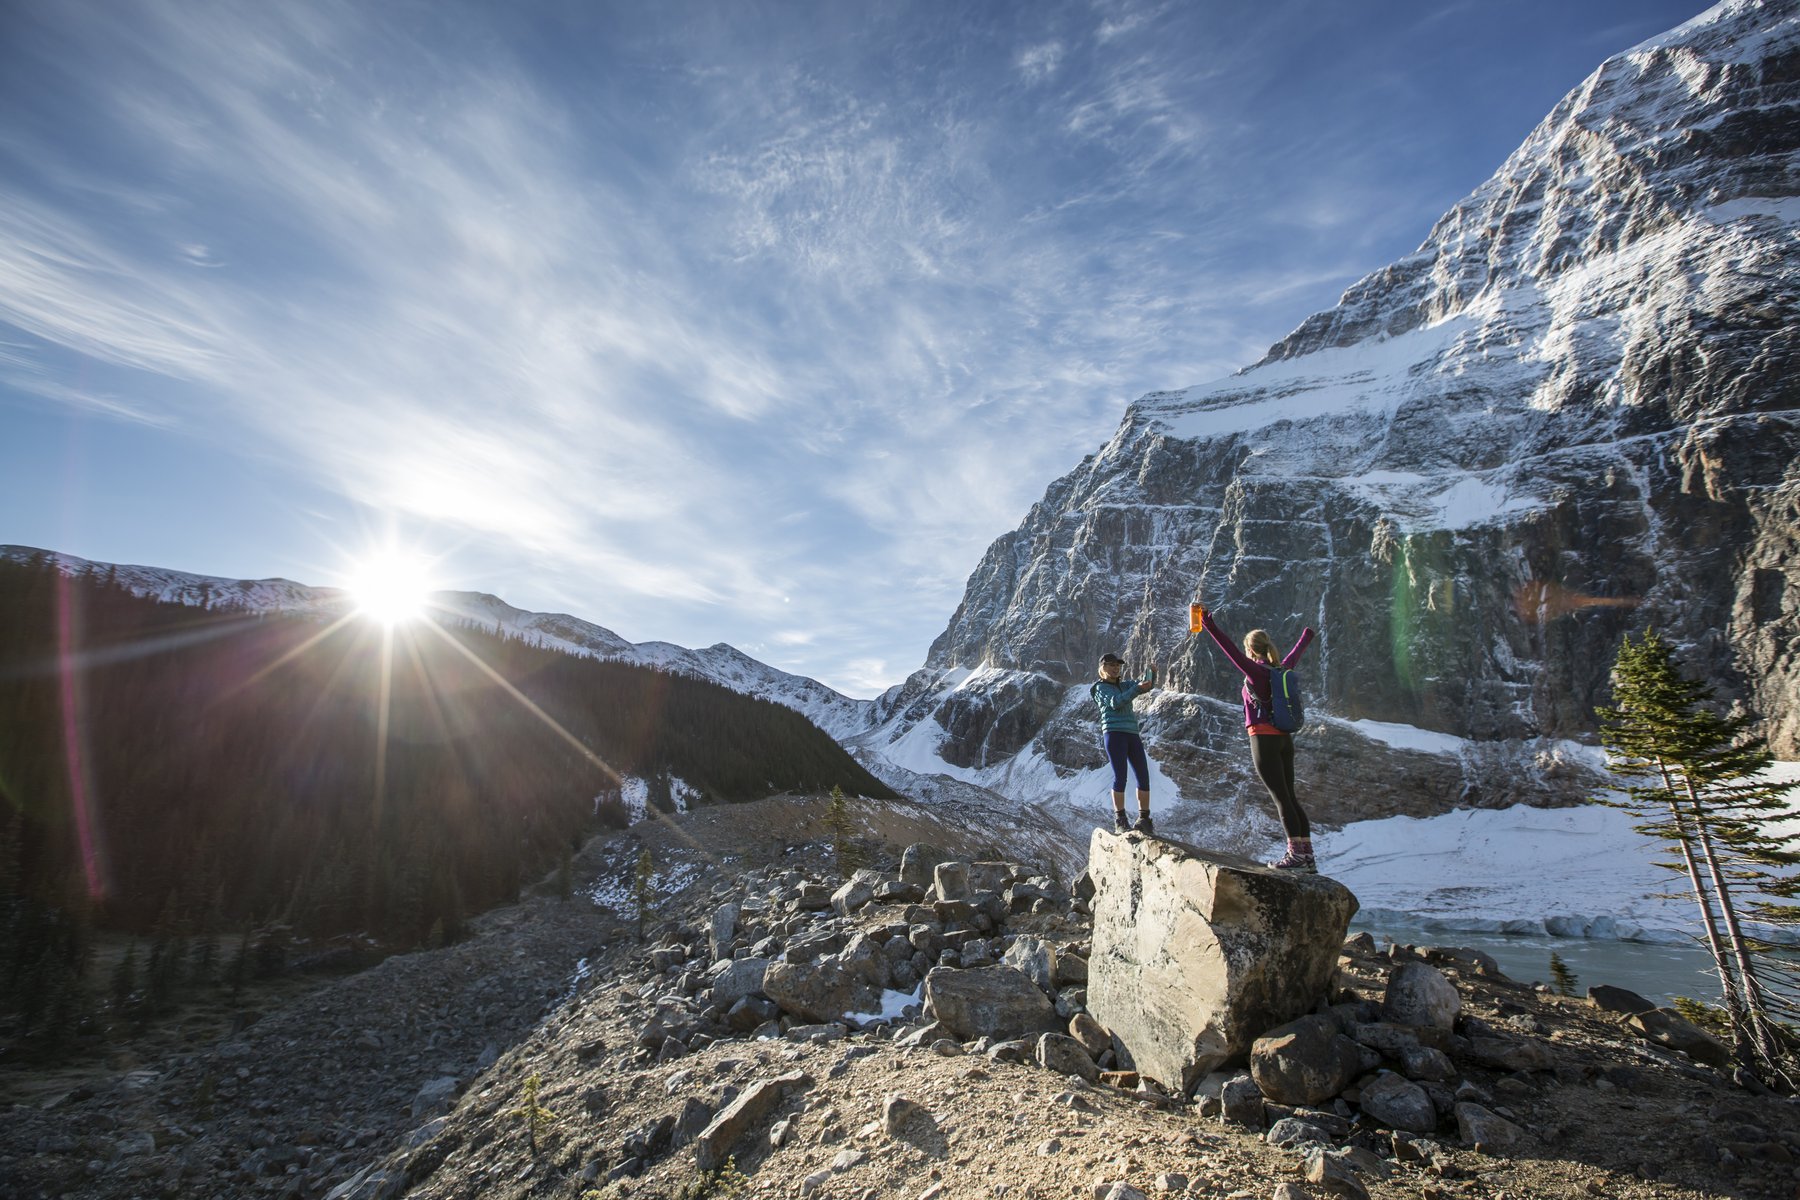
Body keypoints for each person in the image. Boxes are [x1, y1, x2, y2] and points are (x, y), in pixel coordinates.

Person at [1198, 608, 1318, 871]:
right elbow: (1295, 655)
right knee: (1291, 796)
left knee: (1281, 799)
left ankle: (1295, 855)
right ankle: (1307, 856)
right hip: (1285, 740)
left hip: (1263, 738)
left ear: (1251, 650)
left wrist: (1209, 626)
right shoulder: (1279, 669)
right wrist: (1306, 637)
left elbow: (1231, 652)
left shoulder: (1256, 672)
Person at [1091, 653, 1158, 834]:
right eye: (1111, 665)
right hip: (1114, 734)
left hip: (1131, 733)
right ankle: (1120, 819)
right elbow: (1116, 703)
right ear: (1102, 668)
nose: (1115, 668)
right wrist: (1137, 689)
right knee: (1120, 777)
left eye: (1118, 666)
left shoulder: (1124, 685)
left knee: (1143, 775)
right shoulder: (1100, 688)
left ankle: (1144, 818)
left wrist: (1151, 673)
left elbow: (1144, 685)